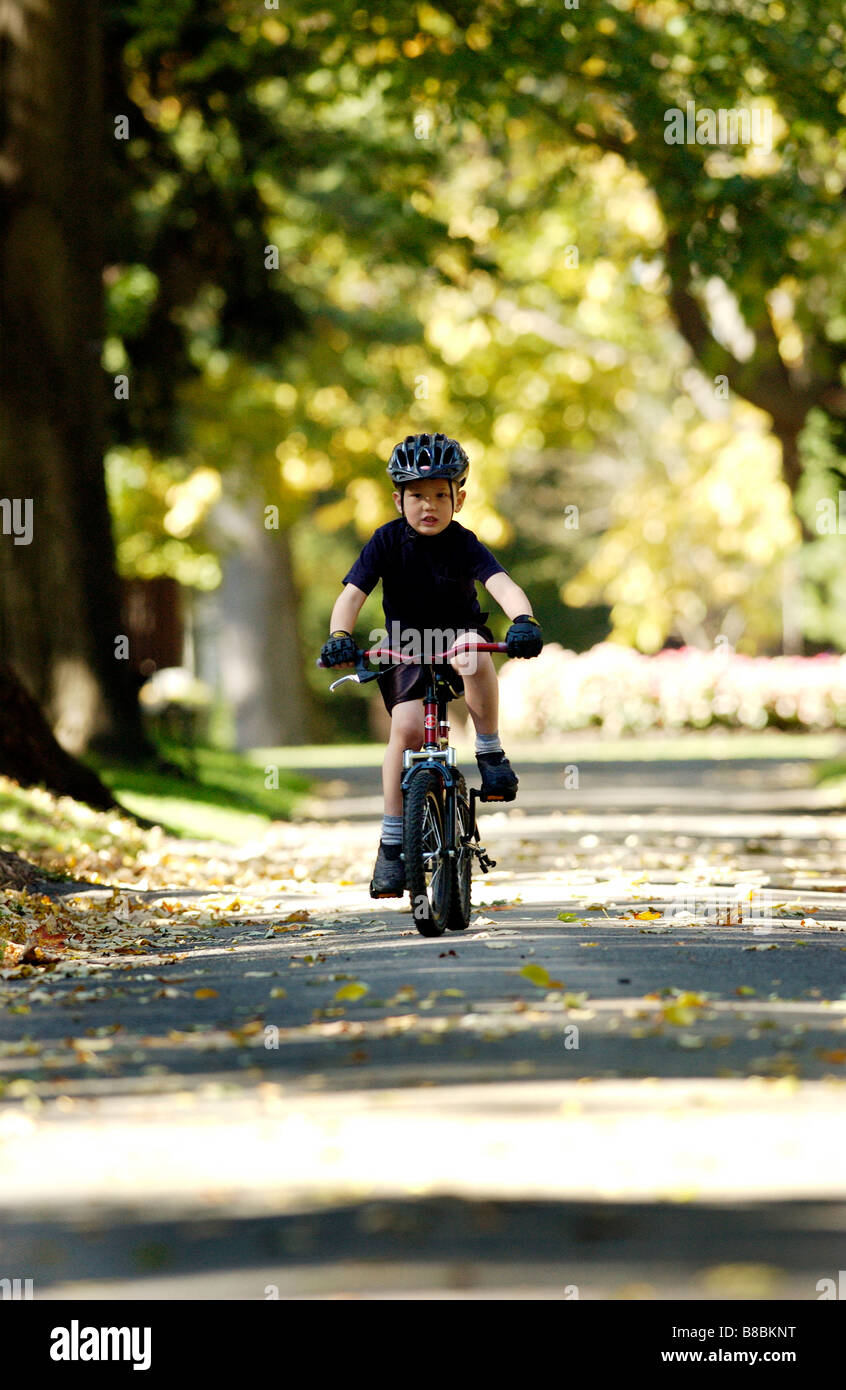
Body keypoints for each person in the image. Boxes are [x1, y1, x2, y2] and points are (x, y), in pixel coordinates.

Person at [320, 432, 543, 897]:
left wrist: (523, 619)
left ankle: (489, 749)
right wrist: (340, 635)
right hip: (403, 646)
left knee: (470, 651)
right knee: (403, 732)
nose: (429, 505)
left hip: (458, 635)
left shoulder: (464, 543)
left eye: (440, 494)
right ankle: (392, 841)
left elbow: (502, 583)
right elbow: (351, 596)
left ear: (458, 499)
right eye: (417, 495)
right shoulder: (384, 542)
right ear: (398, 499)